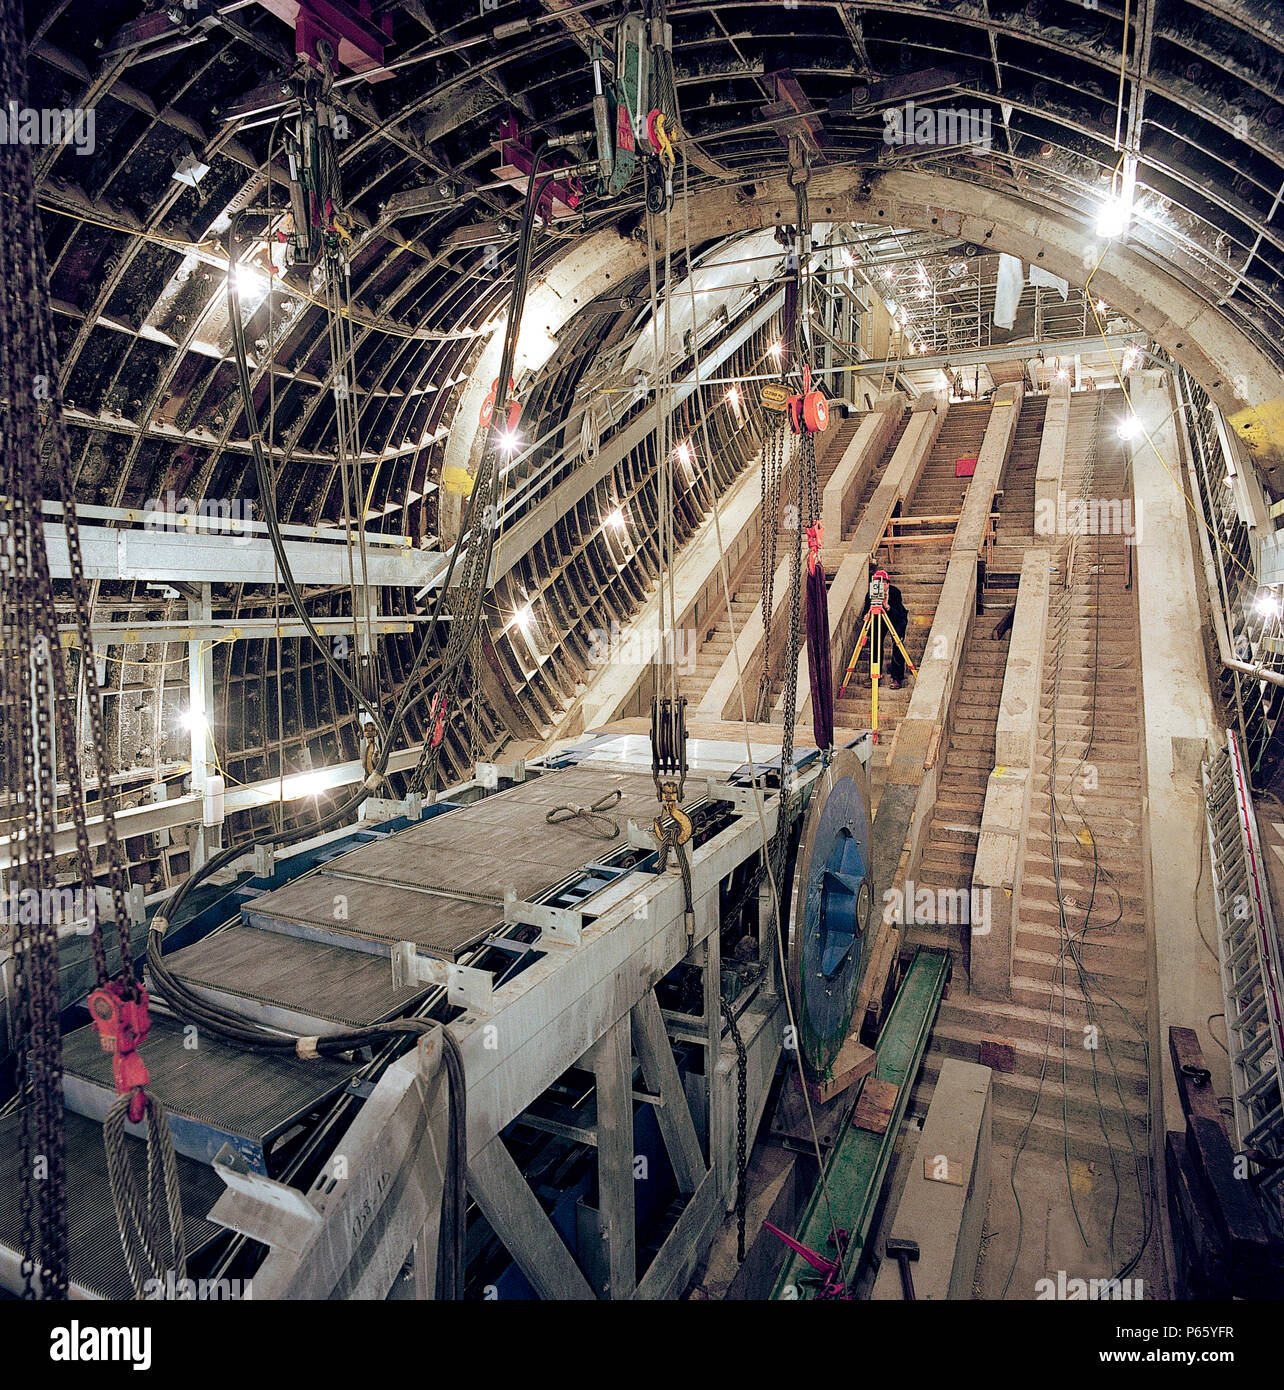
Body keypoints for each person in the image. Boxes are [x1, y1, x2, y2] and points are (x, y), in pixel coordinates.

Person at [860, 566, 910, 688]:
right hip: (879, 619)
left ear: (888, 584)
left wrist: (887, 605)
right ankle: (874, 675)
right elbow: (865, 612)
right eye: (877, 583)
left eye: (883, 583)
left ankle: (897, 678)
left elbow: (898, 613)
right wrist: (866, 616)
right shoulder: (870, 594)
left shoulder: (895, 592)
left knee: (897, 644)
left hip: (896, 619)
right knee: (875, 643)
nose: (880, 586)